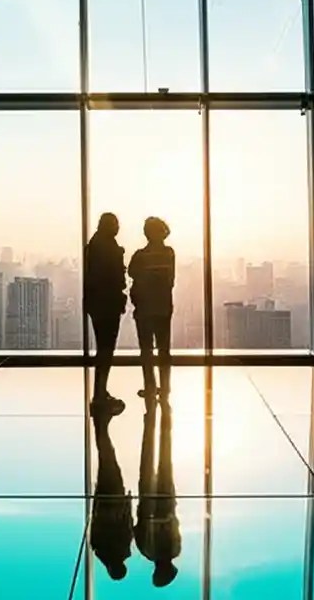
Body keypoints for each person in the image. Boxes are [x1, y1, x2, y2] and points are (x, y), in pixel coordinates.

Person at [128, 217, 175, 401]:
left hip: (145, 309)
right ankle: (165, 388)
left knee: (146, 350)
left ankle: (149, 386)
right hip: (163, 307)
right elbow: (170, 280)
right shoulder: (169, 253)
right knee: (164, 350)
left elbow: (131, 272)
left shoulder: (140, 256)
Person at [135, 399, 180, 587]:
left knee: (164, 456)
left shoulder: (174, 550)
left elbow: (175, 526)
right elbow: (137, 528)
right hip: (147, 503)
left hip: (165, 502)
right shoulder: (146, 551)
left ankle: (164, 414)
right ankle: (151, 415)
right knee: (148, 455)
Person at [85, 212, 127, 416]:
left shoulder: (93, 246)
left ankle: (100, 392)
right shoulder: (109, 248)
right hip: (108, 304)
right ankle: (100, 394)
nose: (118, 228)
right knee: (106, 350)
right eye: (115, 224)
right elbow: (117, 278)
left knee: (103, 349)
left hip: (96, 304)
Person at [90, 412, 132, 581]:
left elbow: (126, 523)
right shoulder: (99, 548)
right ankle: (100, 423)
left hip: (114, 499)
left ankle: (101, 422)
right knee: (105, 458)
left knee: (108, 457)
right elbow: (94, 519)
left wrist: (127, 503)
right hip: (104, 500)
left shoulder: (122, 550)